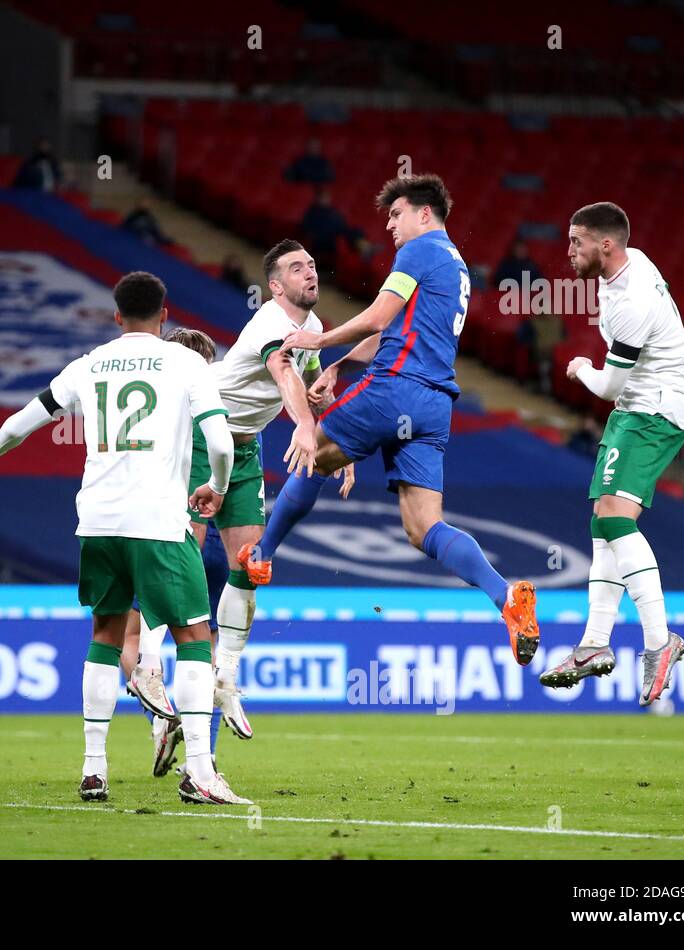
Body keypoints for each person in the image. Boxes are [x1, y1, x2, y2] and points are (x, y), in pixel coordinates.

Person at [0, 271, 251, 806]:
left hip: (97, 521)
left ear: (116, 316)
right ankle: (199, 771)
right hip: (158, 523)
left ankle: (94, 769)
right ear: (165, 314)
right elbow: (219, 440)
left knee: (104, 633)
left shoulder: (90, 363)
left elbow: (32, 415)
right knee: (194, 636)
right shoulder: (187, 361)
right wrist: (216, 487)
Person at [247, 175, 542, 667]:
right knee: (424, 527)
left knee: (312, 453)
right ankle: (504, 596)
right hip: (435, 403)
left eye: (396, 214)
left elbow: (381, 317)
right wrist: (342, 366)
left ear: (424, 214)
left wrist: (321, 345)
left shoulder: (419, 252)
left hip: (396, 388)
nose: (389, 225)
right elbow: (404, 327)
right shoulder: (458, 266)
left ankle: (262, 555)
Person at [152, 240, 355, 744]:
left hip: (245, 449)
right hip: (202, 434)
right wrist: (305, 426)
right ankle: (151, 674)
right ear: (276, 285)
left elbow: (306, 385)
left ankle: (225, 676)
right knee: (182, 558)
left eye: (311, 264)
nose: (309, 272)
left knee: (250, 563)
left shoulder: (313, 331)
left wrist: (330, 440)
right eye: (296, 267)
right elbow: (283, 375)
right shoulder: (270, 324)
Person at [538, 202, 684, 706]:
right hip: (636, 410)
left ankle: (657, 640)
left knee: (614, 519)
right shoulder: (631, 262)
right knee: (602, 521)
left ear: (605, 244)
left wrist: (580, 365)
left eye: (576, 241)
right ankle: (594, 645)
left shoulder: (631, 305)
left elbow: (606, 386)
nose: (569, 251)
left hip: (652, 411)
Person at [117, 327, 231, 778]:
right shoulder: (222, 413)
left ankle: (160, 717)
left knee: (131, 637)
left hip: (164, 535)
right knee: (206, 647)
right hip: (217, 542)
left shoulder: (151, 418)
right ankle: (206, 755)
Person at [299, 187, 361, 272]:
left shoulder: (333, 214)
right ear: (318, 198)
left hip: (330, 245)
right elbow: (306, 228)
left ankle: (362, 244)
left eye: (327, 197)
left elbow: (343, 228)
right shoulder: (312, 212)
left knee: (354, 233)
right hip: (317, 244)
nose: (325, 200)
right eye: (323, 197)